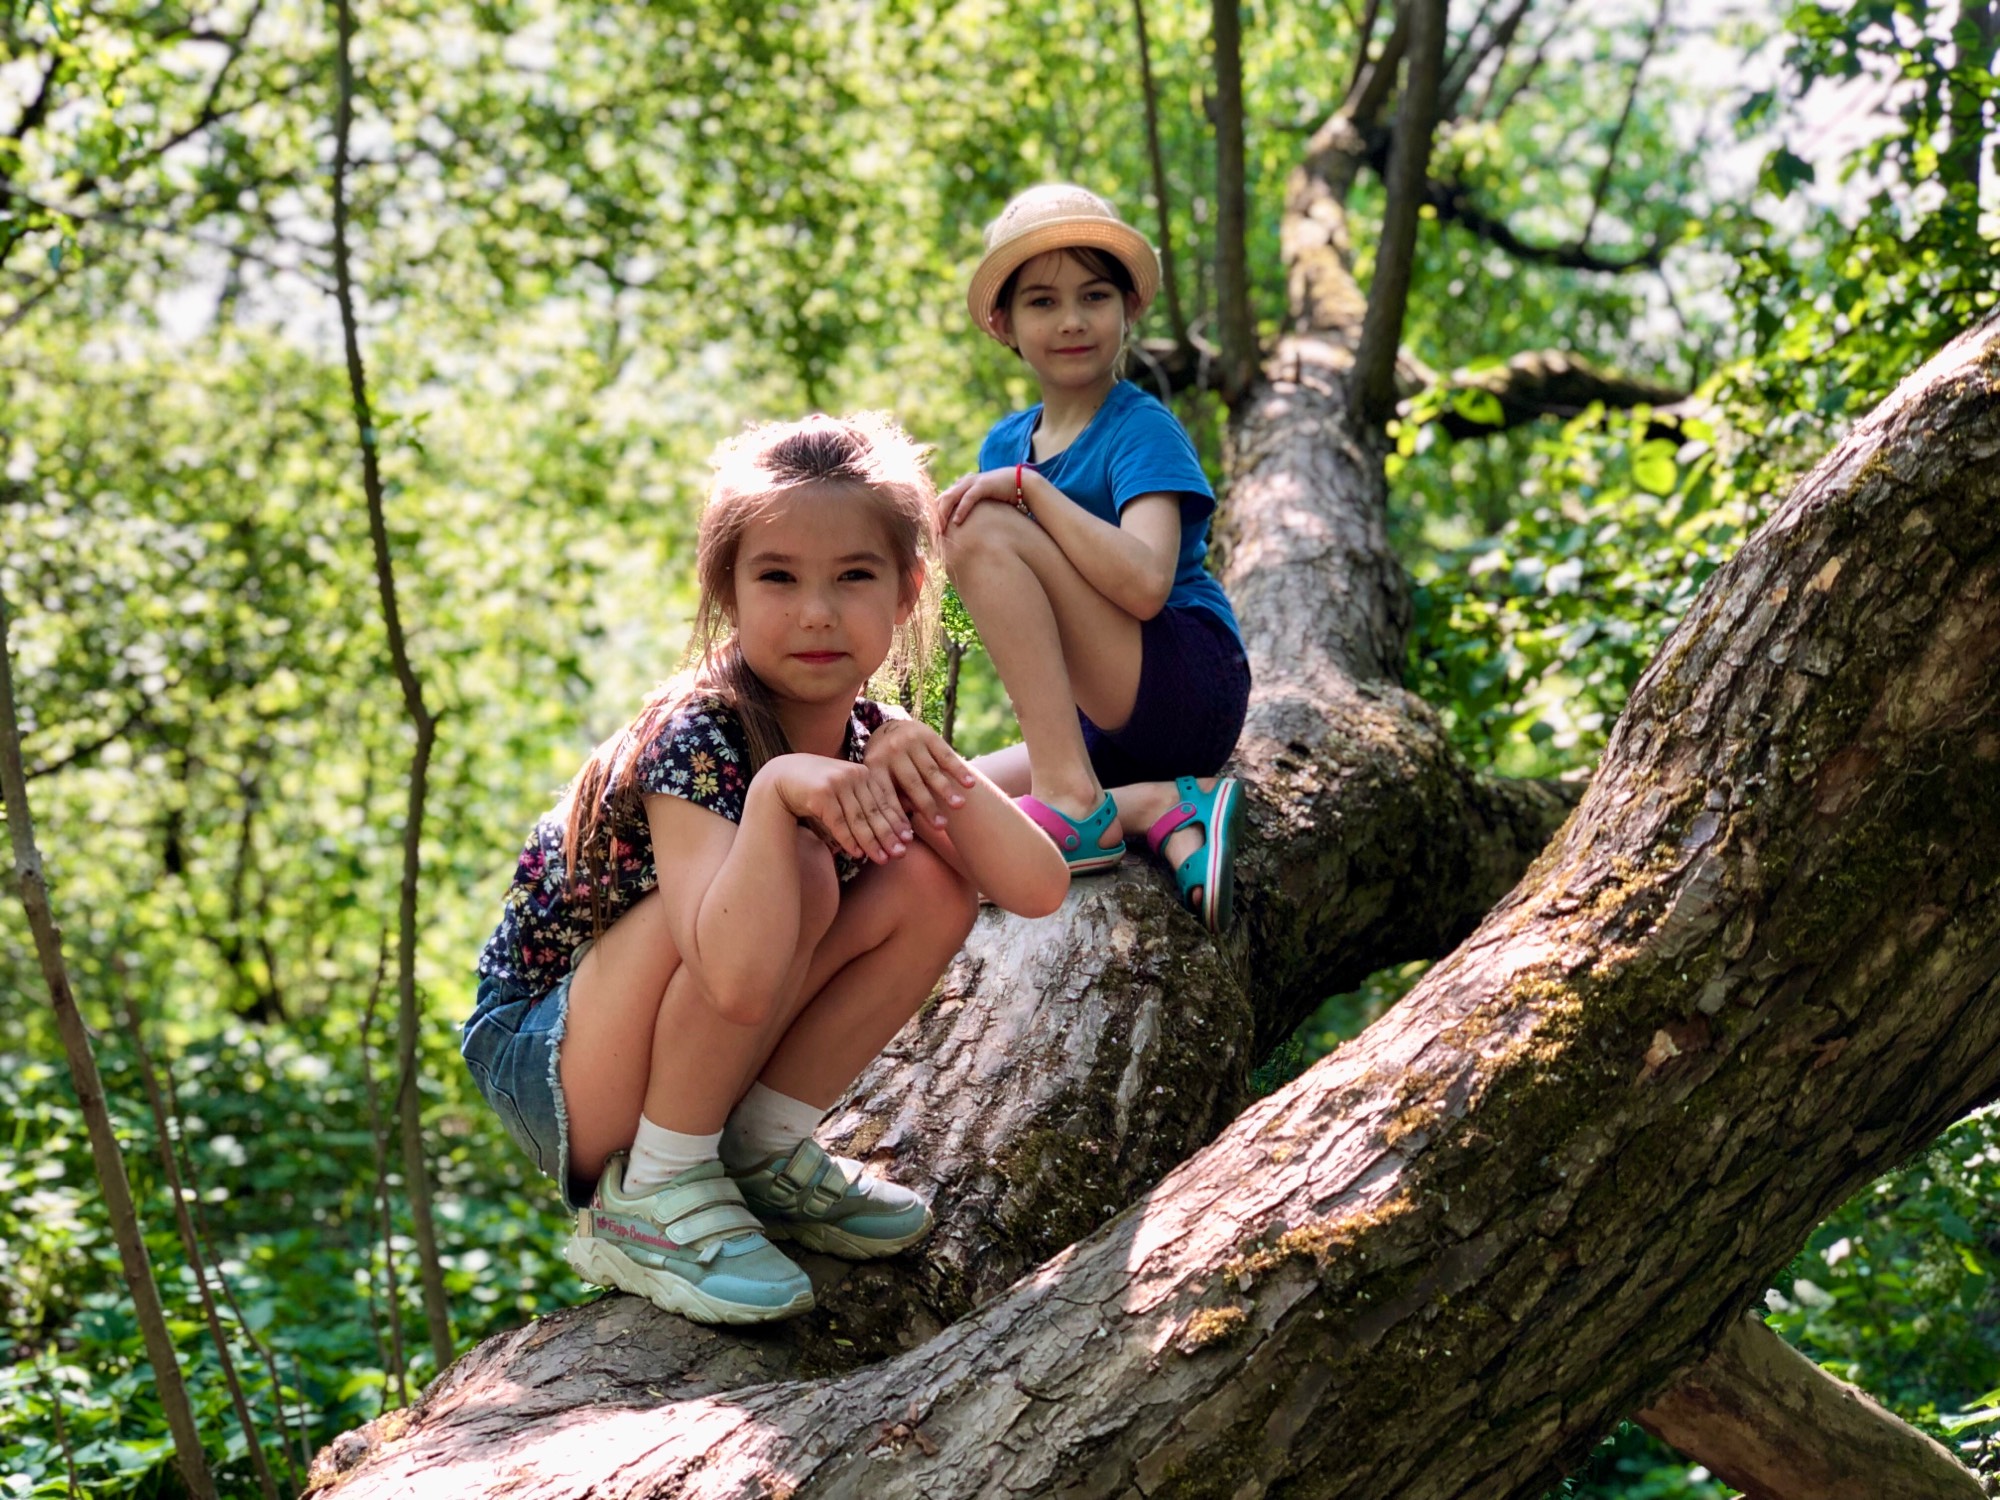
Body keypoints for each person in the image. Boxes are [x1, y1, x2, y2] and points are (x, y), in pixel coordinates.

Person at [462, 413, 1069, 1326]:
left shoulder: (867, 732)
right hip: (549, 1060)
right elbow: (736, 976)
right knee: (798, 869)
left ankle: (758, 1148)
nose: (817, 611)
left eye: (853, 577)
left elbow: (1034, 888)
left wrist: (926, 757)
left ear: (907, 592)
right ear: (728, 591)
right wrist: (777, 788)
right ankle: (653, 1197)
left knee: (931, 880)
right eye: (778, 578)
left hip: (660, 1037)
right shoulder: (698, 734)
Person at [938, 183, 1251, 932]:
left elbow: (1146, 584)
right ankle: (1157, 807)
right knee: (942, 809)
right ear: (1003, 322)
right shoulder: (1006, 443)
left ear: (1129, 309)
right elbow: (1005, 619)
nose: (1073, 320)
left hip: (1183, 685)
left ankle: (1078, 808)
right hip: (1094, 729)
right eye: (1042, 302)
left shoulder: (1141, 428)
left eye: (1095, 295)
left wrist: (1031, 495)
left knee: (978, 525)